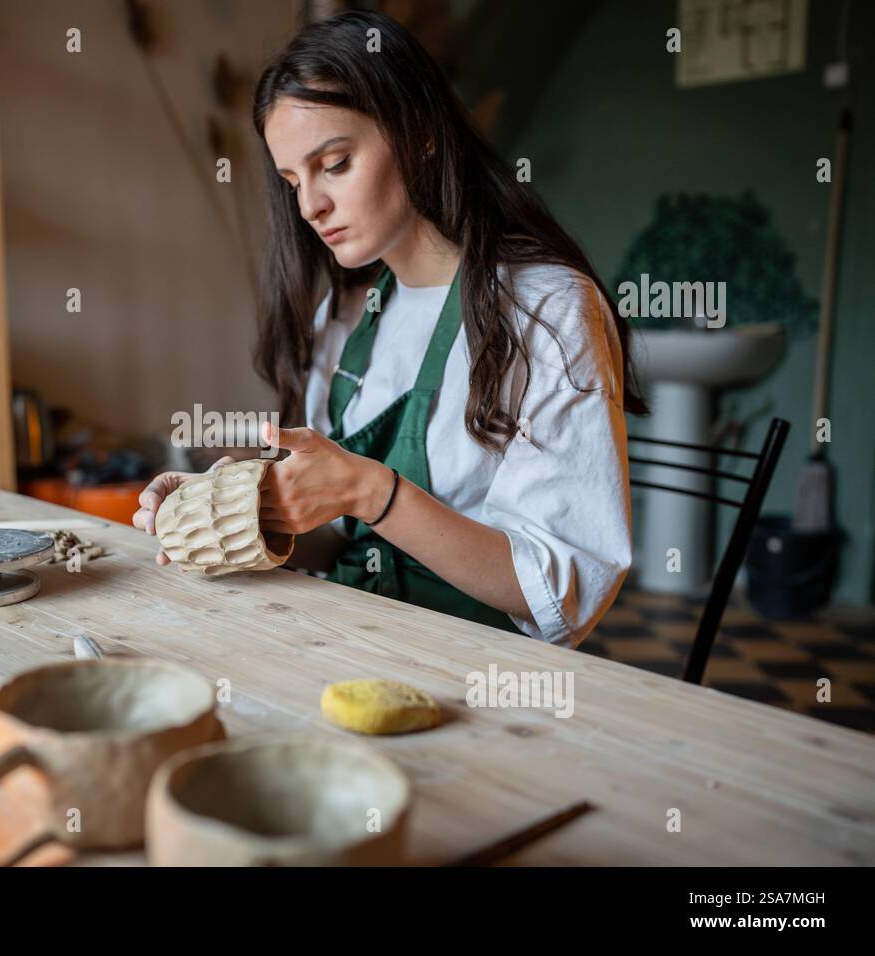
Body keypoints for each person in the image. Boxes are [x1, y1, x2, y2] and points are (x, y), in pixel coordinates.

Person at [133, 10, 645, 649]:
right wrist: (234, 511)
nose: (310, 206)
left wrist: (370, 489)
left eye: (336, 163)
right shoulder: (345, 315)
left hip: (484, 673)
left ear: (419, 134)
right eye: (293, 181)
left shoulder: (546, 308)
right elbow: (336, 539)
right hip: (354, 638)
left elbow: (561, 593)